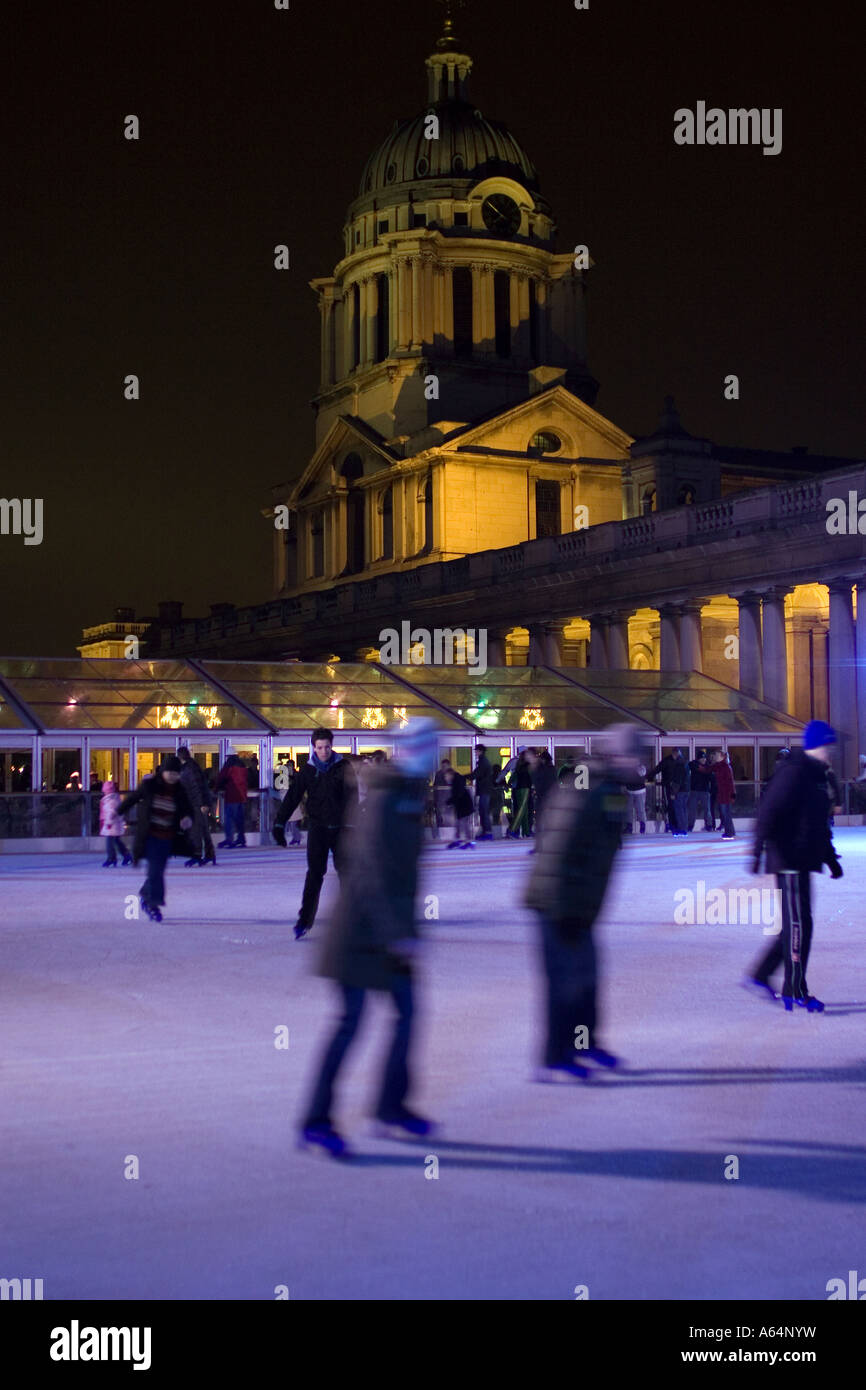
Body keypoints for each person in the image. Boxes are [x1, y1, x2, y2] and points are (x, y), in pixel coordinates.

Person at [299, 719, 439, 1158]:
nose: (434, 755)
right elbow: (376, 871)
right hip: (359, 934)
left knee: (408, 1014)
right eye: (427, 747)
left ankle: (389, 1107)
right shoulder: (388, 797)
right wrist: (399, 934)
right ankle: (316, 1120)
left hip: (388, 932)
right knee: (351, 1024)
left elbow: (405, 876)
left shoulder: (410, 794)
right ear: (410, 751)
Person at [524, 723, 641, 1080]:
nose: (639, 765)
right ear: (618, 755)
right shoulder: (585, 784)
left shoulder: (608, 788)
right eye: (635, 757)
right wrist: (565, 907)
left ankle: (583, 1043)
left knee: (586, 977)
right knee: (565, 981)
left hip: (578, 902)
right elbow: (558, 842)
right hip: (556, 902)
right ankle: (553, 1057)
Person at [744, 720, 843, 1012]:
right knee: (798, 924)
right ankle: (796, 989)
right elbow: (768, 812)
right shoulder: (794, 772)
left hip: (804, 858)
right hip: (787, 858)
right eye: (828, 747)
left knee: (799, 925)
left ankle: (762, 974)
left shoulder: (819, 776)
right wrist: (757, 852)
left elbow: (818, 824)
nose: (831, 753)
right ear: (816, 746)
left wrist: (830, 858)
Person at [273, 727, 357, 940]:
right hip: (318, 828)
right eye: (319, 747)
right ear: (314, 747)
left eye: (327, 746)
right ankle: (304, 920)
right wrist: (279, 824)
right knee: (314, 875)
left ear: (332, 745)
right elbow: (293, 796)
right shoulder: (308, 770)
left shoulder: (343, 766)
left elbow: (353, 797)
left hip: (341, 830)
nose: (324, 751)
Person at [118, 756, 195, 922]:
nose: (173, 776)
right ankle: (152, 904)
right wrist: (118, 812)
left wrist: (187, 818)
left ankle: (146, 894)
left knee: (158, 870)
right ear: (163, 771)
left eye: (176, 773)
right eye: (170, 773)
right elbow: (133, 798)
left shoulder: (180, 790)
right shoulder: (150, 786)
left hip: (167, 836)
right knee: (155, 871)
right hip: (150, 835)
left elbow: (187, 808)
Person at [177, 746, 216, 865]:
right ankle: (209, 854)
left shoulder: (188, 769)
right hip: (197, 803)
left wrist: (201, 804)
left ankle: (198, 854)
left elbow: (196, 787)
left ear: (180, 756)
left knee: (196, 830)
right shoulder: (192, 766)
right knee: (203, 829)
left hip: (196, 804)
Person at [215, 752, 248, 848]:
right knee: (239, 819)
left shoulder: (228, 767)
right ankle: (241, 839)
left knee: (229, 819)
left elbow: (221, 779)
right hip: (242, 796)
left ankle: (229, 839)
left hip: (232, 796)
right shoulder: (243, 767)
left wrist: (217, 789)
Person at [99, 779, 131, 866]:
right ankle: (126, 855)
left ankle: (111, 858)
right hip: (114, 824)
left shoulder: (111, 800)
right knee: (116, 841)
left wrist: (108, 823)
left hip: (112, 825)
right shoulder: (113, 798)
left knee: (110, 842)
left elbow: (111, 813)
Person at [467, 744, 495, 840]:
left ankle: (487, 832)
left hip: (484, 790)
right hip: (484, 790)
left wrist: (462, 776)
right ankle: (485, 832)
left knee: (484, 811)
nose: (475, 752)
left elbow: (475, 774)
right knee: (483, 811)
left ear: (480, 751)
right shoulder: (483, 762)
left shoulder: (483, 762)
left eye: (476, 751)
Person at [444, 766, 474, 849]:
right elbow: (457, 794)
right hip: (462, 805)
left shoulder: (457, 781)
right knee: (458, 824)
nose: (445, 778)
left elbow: (458, 794)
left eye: (446, 776)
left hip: (464, 805)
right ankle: (458, 840)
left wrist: (449, 801)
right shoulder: (456, 781)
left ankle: (469, 842)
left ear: (450, 774)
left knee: (464, 824)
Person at [688, 752, 714, 832]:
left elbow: (711, 778)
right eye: (702, 758)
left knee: (707, 810)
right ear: (698, 759)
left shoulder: (708, 767)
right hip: (694, 791)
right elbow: (690, 764)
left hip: (704, 791)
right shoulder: (694, 765)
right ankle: (690, 825)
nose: (704, 760)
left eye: (705, 758)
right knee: (692, 810)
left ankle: (709, 825)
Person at [713, 750, 736, 840]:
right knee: (725, 813)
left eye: (717, 756)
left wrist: (733, 793)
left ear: (722, 757)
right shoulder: (720, 766)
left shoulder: (725, 767)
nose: (716, 757)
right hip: (722, 794)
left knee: (726, 813)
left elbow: (730, 781)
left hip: (726, 795)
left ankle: (729, 832)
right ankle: (730, 831)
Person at [624, 761, 647, 834]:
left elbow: (642, 773)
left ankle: (642, 826)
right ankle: (629, 827)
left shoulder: (640, 766)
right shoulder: (626, 767)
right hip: (629, 790)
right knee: (628, 810)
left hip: (639, 790)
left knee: (640, 809)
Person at [432, 757, 452, 839]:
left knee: (448, 815)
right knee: (439, 815)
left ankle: (448, 832)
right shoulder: (438, 774)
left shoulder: (451, 774)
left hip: (448, 799)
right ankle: (440, 831)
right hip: (440, 799)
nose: (444, 768)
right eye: (443, 766)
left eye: (445, 766)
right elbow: (435, 786)